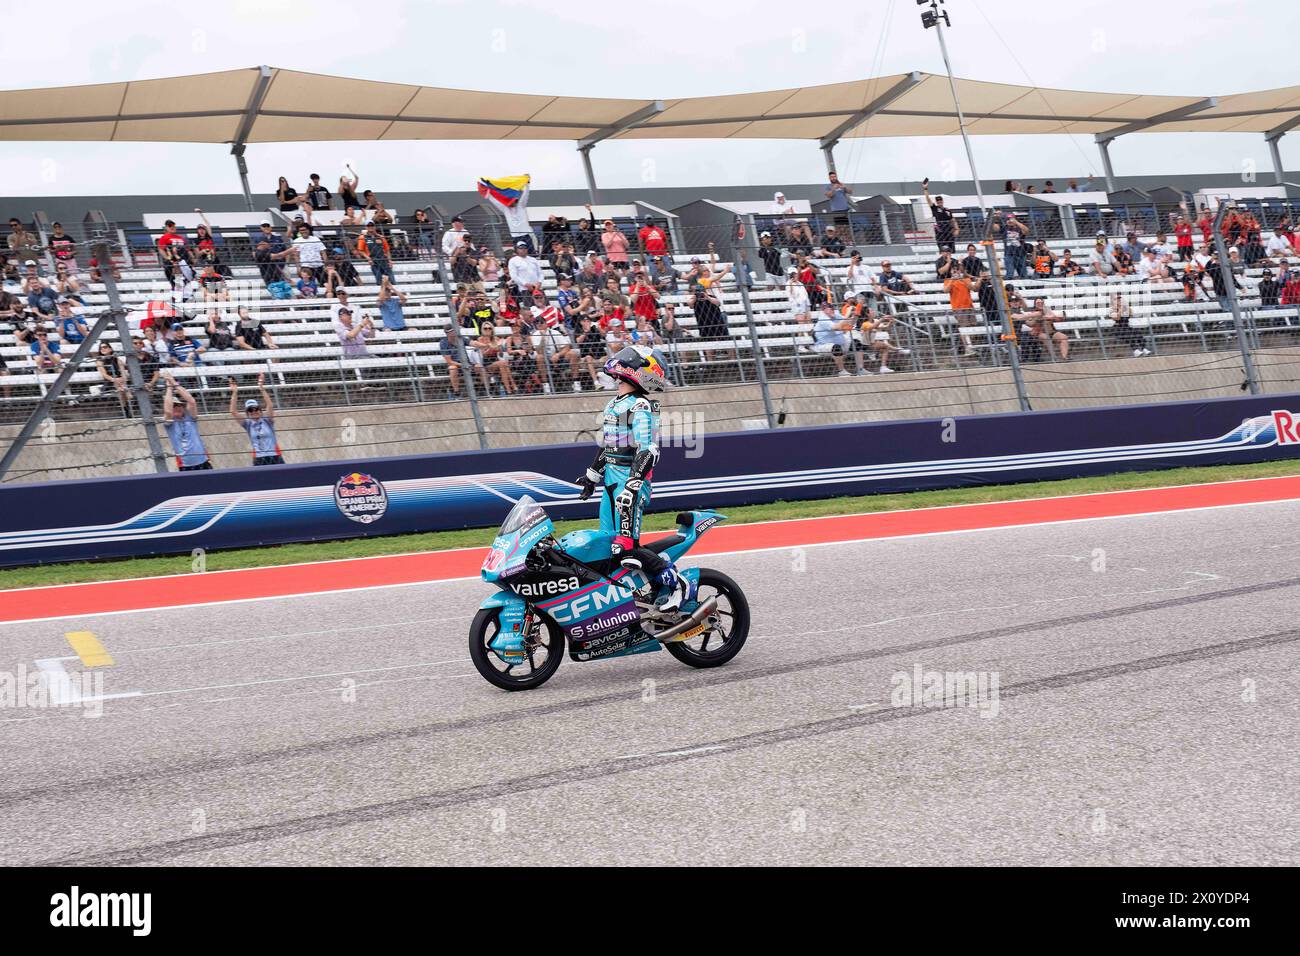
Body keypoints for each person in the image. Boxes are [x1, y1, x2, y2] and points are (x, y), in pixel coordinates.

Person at [574, 345, 693, 611]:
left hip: (629, 484)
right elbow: (611, 447)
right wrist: (592, 476)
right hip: (611, 483)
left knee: (625, 547)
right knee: (607, 544)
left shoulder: (641, 405)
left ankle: (676, 583)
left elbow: (647, 449)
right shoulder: (614, 403)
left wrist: (634, 483)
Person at [230, 373, 283, 465]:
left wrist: (261, 387)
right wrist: (234, 392)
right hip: (259, 457)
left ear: (260, 410)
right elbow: (233, 412)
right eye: (250, 410)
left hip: (274, 455)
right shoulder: (248, 424)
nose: (254, 411)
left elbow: (270, 405)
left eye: (256, 409)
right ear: (247, 413)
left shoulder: (267, 421)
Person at [161, 373, 211, 470]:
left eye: (179, 405)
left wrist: (174, 383)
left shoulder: (190, 418)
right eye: (174, 406)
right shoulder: (170, 423)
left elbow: (191, 401)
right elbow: (167, 411)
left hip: (203, 461)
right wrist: (169, 388)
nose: (177, 408)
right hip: (185, 465)